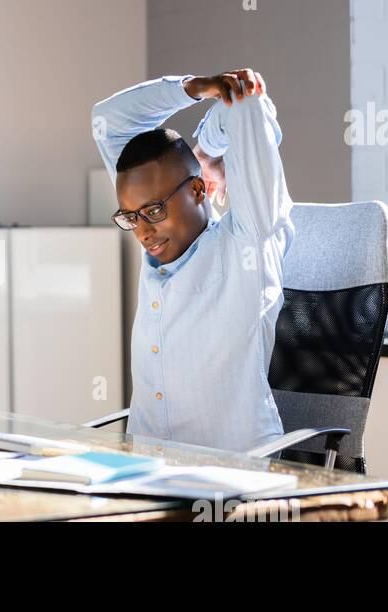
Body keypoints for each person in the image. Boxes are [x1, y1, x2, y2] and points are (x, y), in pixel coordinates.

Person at [91, 69, 293, 451]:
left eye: (152, 211)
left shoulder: (247, 242)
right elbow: (106, 121)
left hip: (231, 482)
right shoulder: (156, 237)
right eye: (130, 217)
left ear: (198, 189)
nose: (142, 232)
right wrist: (192, 88)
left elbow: (248, 102)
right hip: (144, 476)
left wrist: (209, 148)